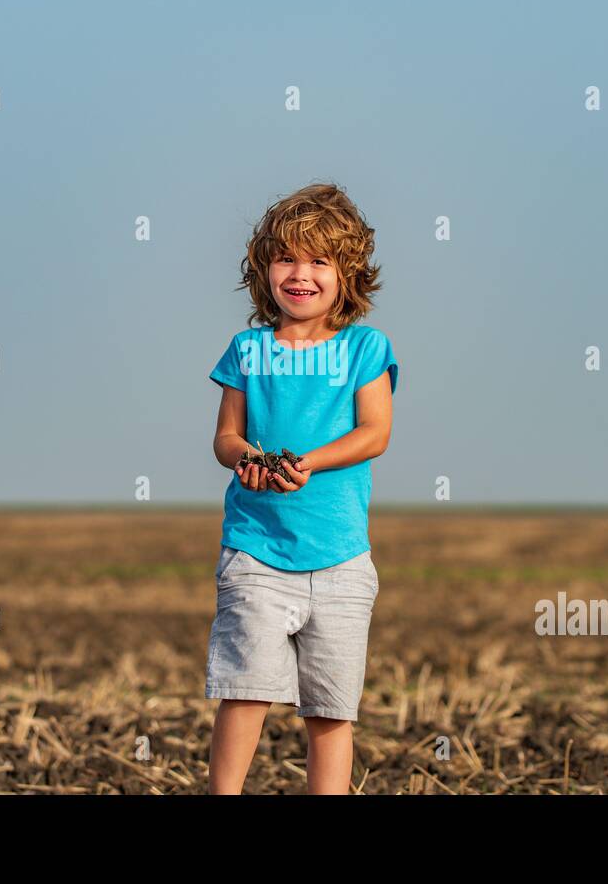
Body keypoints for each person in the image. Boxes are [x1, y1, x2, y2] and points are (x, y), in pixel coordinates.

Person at [205, 181, 398, 794]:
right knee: (245, 692)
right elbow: (226, 439)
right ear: (264, 270)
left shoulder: (365, 347)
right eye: (286, 257)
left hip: (340, 557)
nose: (301, 274)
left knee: (330, 711)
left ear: (348, 274)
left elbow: (374, 433)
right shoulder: (248, 348)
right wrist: (250, 462)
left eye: (320, 260)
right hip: (256, 550)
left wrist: (306, 462)